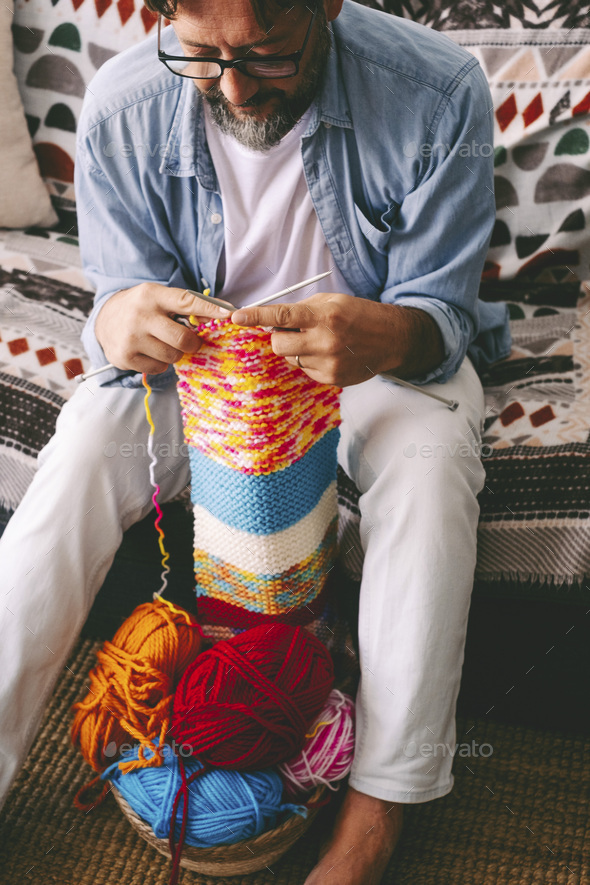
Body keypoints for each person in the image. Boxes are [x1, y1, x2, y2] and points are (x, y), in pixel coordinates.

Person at [0, 0, 510, 881]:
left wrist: (385, 332)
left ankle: (375, 815)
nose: (232, 85)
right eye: (199, 54)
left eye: (267, 53)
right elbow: (117, 309)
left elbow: (444, 319)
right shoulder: (124, 103)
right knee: (84, 443)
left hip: (377, 373)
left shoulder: (437, 91)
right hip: (199, 379)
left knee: (432, 479)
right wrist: (120, 318)